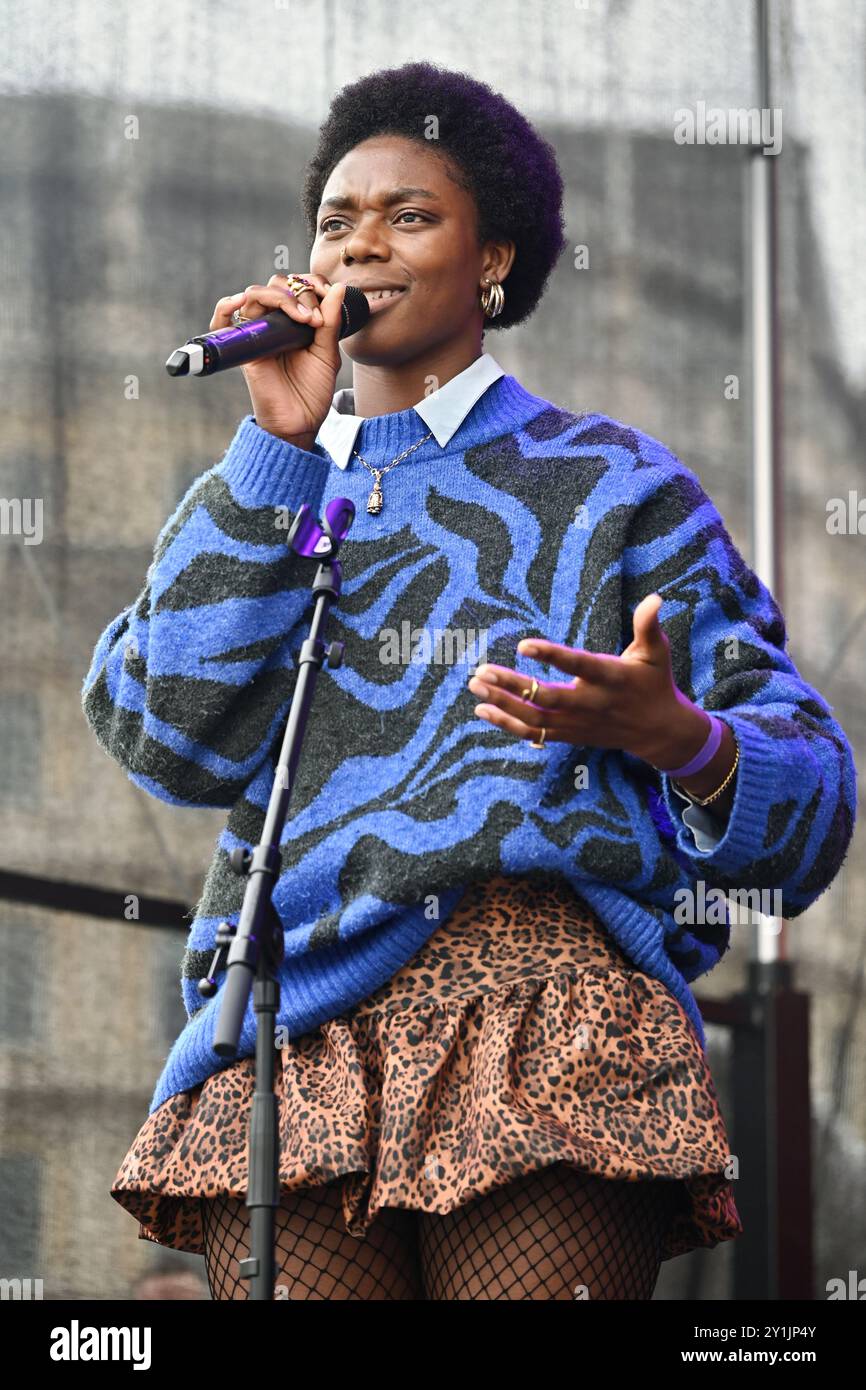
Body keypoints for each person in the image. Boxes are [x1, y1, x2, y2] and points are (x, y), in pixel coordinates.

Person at [83, 61, 856, 1301]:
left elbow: (809, 811)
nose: (358, 244)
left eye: (408, 215)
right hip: (293, 1031)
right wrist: (275, 449)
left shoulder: (616, 487)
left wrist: (679, 738)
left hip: (546, 1015)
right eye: (335, 220)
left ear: (492, 259)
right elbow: (162, 738)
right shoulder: (270, 484)